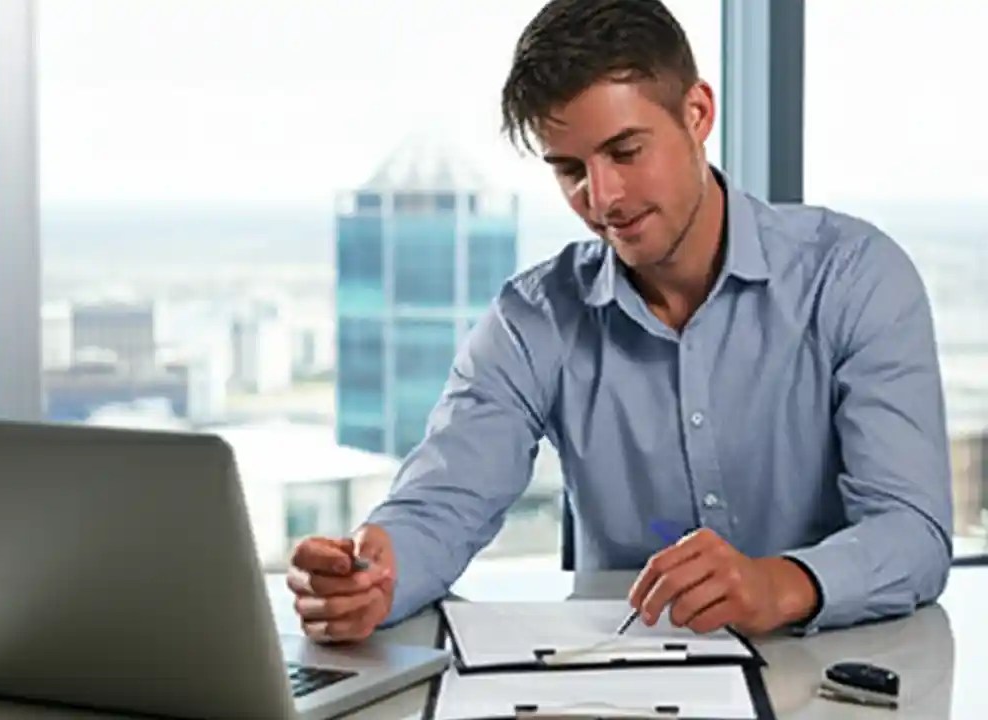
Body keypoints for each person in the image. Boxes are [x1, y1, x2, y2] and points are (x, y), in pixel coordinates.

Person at [287, 0, 952, 643]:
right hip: (618, 684)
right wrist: (371, 578)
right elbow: (442, 503)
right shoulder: (534, 319)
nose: (601, 198)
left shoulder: (854, 276)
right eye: (571, 170)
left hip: (833, 678)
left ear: (698, 113)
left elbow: (912, 530)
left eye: (626, 152)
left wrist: (776, 584)